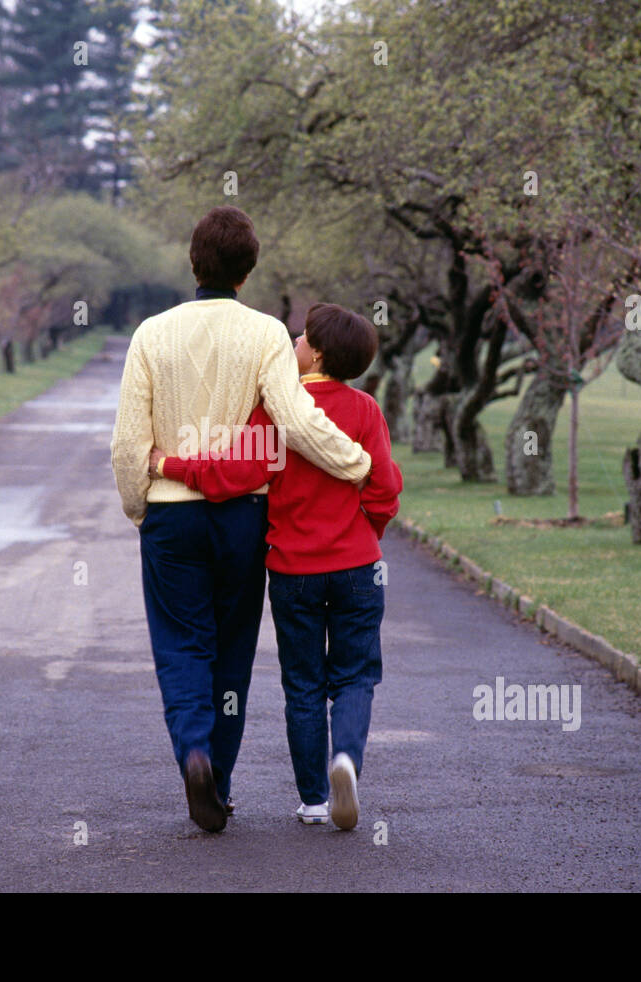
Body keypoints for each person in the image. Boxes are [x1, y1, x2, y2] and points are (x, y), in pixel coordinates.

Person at [110, 207, 372, 833]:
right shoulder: (265, 335)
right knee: (230, 657)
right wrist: (356, 461)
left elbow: (127, 444)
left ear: (191, 261)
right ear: (248, 271)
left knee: (181, 648)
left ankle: (194, 754)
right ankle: (219, 786)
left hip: (172, 518)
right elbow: (295, 419)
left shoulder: (151, 334)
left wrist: (139, 506)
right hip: (242, 517)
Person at [151, 303, 402, 830]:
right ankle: (346, 760)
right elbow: (384, 489)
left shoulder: (278, 410)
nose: (293, 341)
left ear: (319, 353)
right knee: (356, 675)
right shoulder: (365, 411)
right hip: (358, 566)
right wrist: (365, 533)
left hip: (294, 572)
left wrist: (167, 464)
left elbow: (231, 474)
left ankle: (313, 799)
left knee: (304, 684)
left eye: (302, 337)